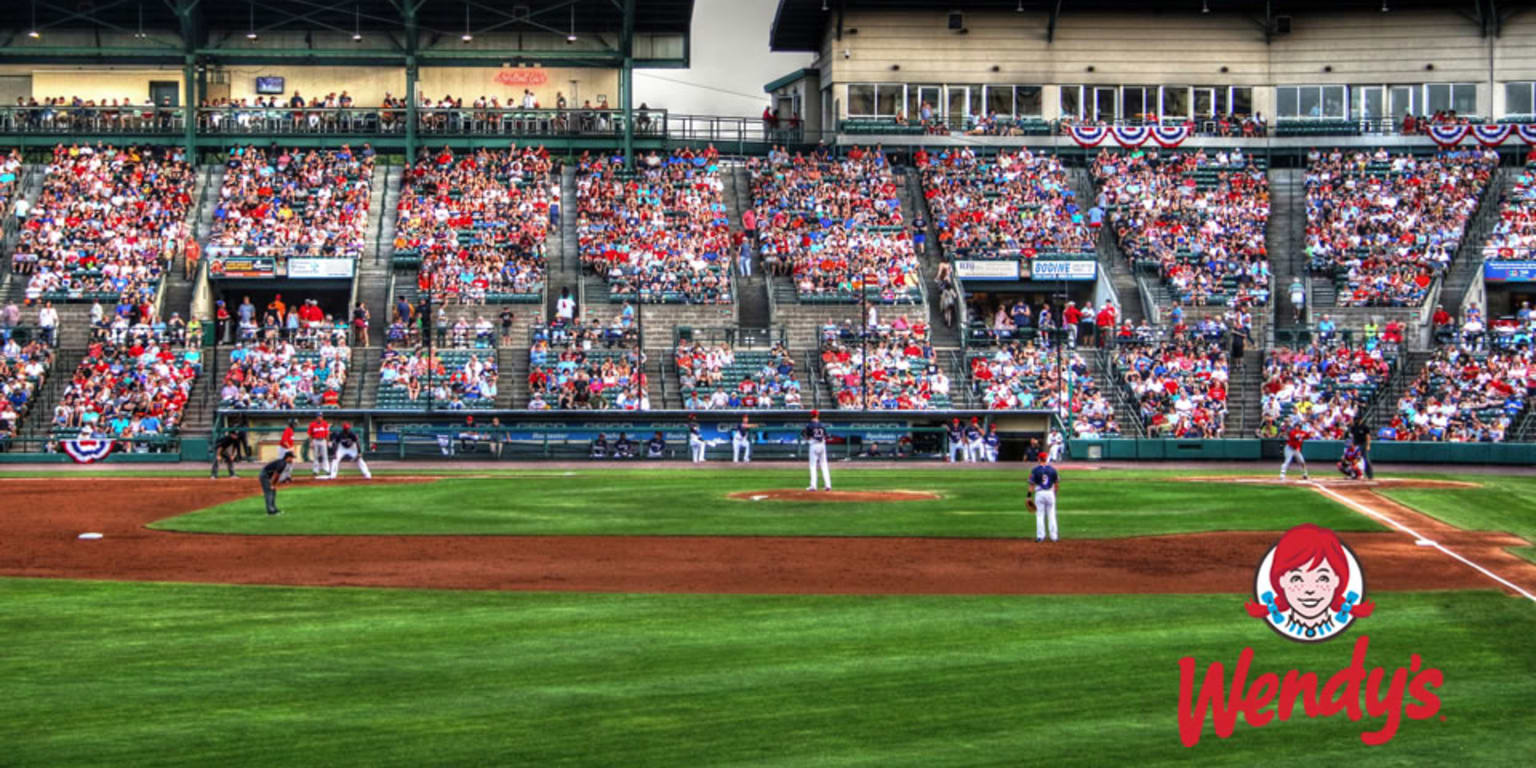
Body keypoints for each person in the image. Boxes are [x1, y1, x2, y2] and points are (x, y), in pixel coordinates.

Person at [1029, 452, 1060, 542]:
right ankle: (1054, 537)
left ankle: (1040, 536)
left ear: (1039, 459)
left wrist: (1028, 496)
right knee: (1051, 514)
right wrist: (1054, 495)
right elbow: (1056, 484)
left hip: (1040, 493)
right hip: (1050, 493)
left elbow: (1031, 484)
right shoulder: (1053, 469)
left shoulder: (1035, 470)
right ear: (1046, 459)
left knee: (1039, 515)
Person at [803, 409, 831, 491]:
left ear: (811, 415)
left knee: (813, 466)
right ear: (818, 415)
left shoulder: (809, 425)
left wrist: (805, 436)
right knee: (824, 465)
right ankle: (828, 485)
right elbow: (826, 436)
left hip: (814, 445)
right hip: (822, 445)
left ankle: (813, 486)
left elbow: (807, 437)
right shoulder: (822, 425)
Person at [307, 413, 331, 478]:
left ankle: (326, 470)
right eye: (319, 416)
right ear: (316, 417)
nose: (320, 417)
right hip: (315, 440)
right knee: (316, 457)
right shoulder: (312, 424)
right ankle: (316, 471)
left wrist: (328, 441)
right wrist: (311, 442)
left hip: (323, 440)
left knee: (325, 456)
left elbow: (327, 433)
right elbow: (310, 434)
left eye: (321, 416)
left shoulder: (325, 423)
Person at [278, 418, 297, 483]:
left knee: (291, 463)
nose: (295, 425)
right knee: (284, 463)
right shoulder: (287, 430)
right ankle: (282, 479)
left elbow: (291, 442)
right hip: (283, 448)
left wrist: (292, 449)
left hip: (288, 448)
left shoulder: (291, 431)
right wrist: (290, 449)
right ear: (292, 424)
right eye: (295, 424)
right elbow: (284, 441)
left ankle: (288, 476)